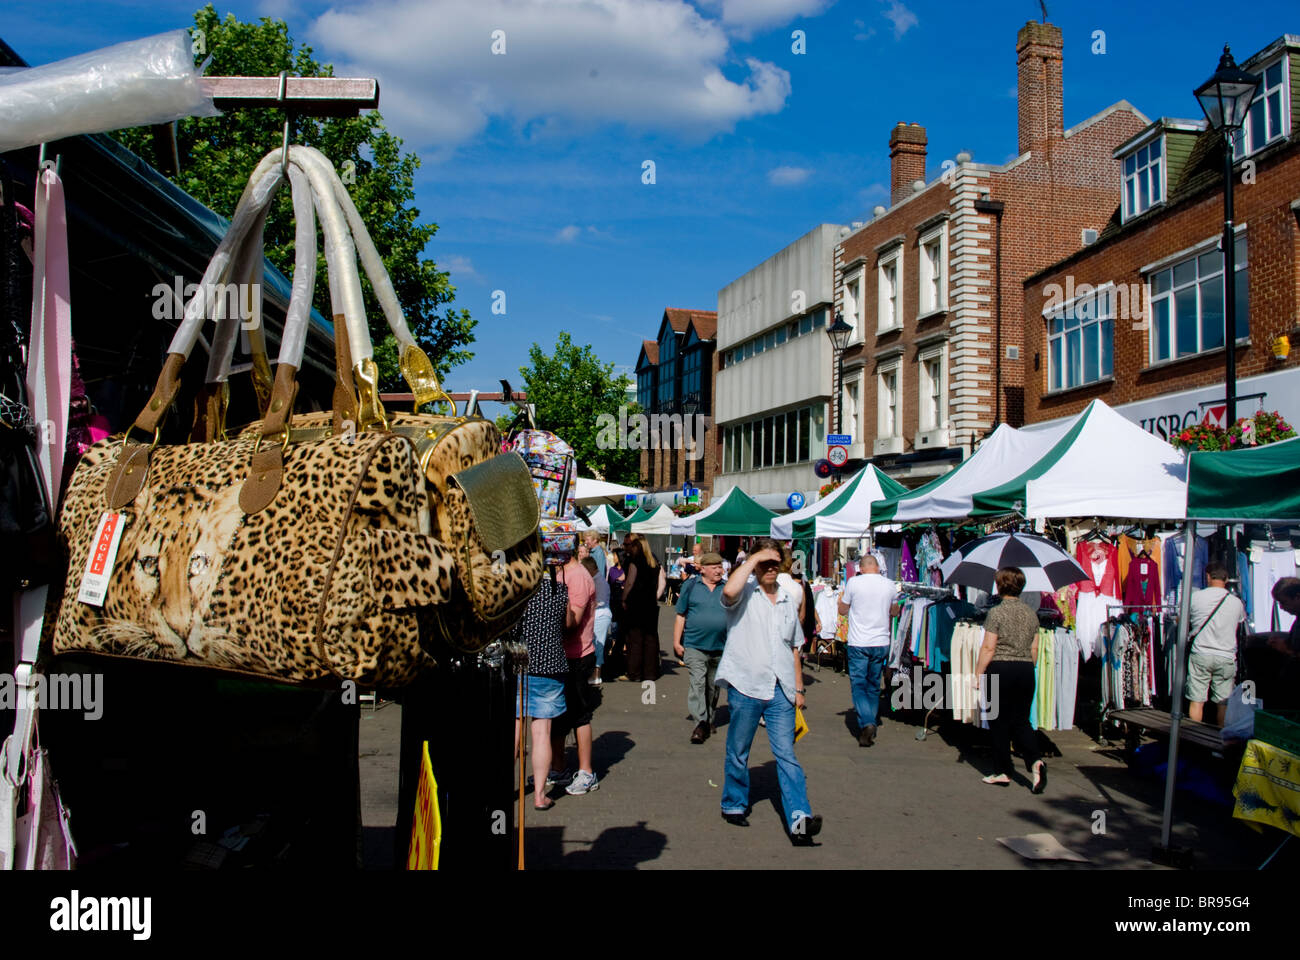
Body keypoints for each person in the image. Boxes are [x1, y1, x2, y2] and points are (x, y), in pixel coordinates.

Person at [715, 539, 822, 845]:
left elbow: (793, 648)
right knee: (739, 748)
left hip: (781, 688)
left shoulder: (789, 599)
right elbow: (728, 591)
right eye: (765, 563)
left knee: (786, 754)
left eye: (775, 563)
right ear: (755, 563)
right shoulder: (744, 592)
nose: (770, 569)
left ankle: (800, 818)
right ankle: (734, 803)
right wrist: (755, 557)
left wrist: (799, 688)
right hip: (746, 683)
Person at [974, 567, 1046, 793]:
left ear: (999, 586)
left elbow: (988, 647)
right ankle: (1035, 760)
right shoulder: (1031, 613)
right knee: (1022, 720)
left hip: (1000, 668)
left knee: (999, 721)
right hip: (1025, 669)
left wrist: (977, 673)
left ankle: (1002, 770)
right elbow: (1035, 648)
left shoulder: (996, 613)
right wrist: (1027, 665)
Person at [511, 570, 571, 810]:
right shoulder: (560, 592)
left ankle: (504, 789)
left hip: (518, 662)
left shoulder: (518, 592)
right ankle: (539, 795)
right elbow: (566, 625)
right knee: (541, 733)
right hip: (550, 665)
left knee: (514, 730)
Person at [838, 555, 900, 747]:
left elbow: (842, 610)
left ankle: (867, 721)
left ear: (862, 568)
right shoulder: (890, 585)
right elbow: (895, 611)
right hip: (881, 641)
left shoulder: (854, 583)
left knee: (858, 685)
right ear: (877, 567)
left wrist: (842, 602)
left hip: (859, 642)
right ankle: (870, 722)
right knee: (873, 685)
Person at [554, 552, 600, 795]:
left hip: (578, 655)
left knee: (579, 713)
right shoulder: (559, 573)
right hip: (560, 654)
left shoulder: (578, 576)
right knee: (557, 714)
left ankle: (586, 772)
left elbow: (573, 623)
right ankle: (558, 767)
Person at [672, 551, 728, 744]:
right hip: (694, 644)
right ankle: (700, 722)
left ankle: (710, 718)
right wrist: (676, 641)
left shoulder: (726, 588)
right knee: (698, 682)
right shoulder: (691, 586)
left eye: (720, 567)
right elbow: (681, 614)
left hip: (720, 646)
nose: (719, 570)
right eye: (714, 567)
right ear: (702, 570)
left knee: (712, 686)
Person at [1186, 563, 1247, 725]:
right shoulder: (1236, 603)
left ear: (1207, 576)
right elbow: (1240, 622)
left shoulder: (1194, 597)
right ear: (1226, 579)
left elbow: (1181, 621)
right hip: (1226, 655)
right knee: (1223, 703)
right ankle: (1219, 742)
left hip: (1201, 653)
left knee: (1197, 700)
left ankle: (1196, 736)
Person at [621, 533, 664, 683]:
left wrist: (624, 598)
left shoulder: (636, 561)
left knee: (635, 639)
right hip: (650, 603)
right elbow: (661, 582)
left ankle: (634, 673)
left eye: (629, 545)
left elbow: (630, 583)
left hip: (636, 604)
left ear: (636, 545)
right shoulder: (654, 562)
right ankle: (651, 673)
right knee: (651, 639)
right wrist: (655, 595)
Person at [583, 556, 611, 686]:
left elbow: (600, 602)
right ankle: (594, 673)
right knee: (596, 644)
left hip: (601, 615)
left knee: (598, 645)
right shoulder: (597, 579)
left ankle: (596, 674)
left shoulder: (598, 581)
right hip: (600, 614)